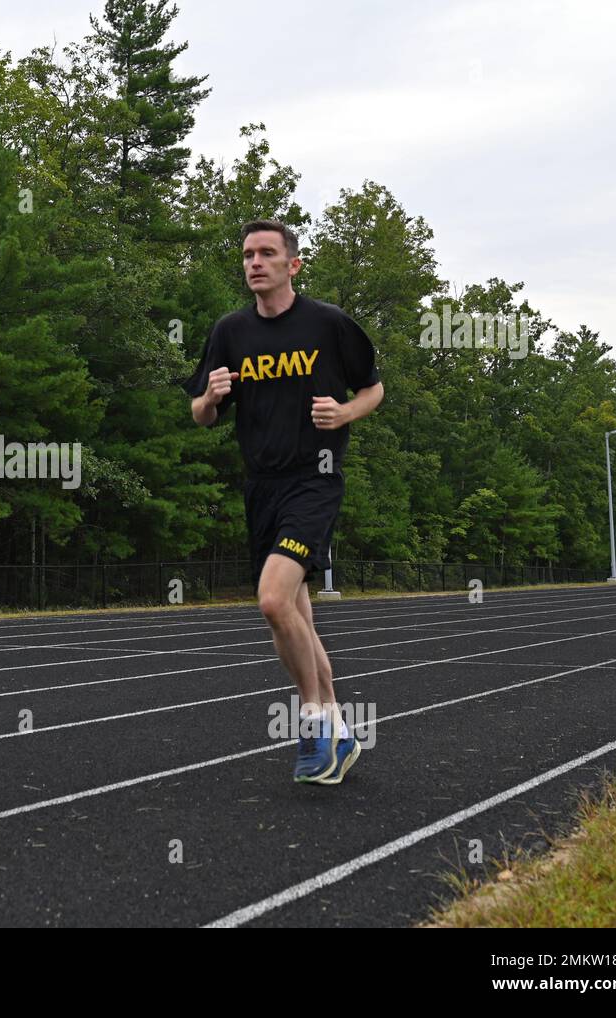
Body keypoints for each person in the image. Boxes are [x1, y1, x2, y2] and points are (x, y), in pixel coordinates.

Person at [182, 219, 384, 785]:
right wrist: (210, 399)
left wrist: (345, 413)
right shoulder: (230, 332)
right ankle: (342, 731)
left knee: (273, 601)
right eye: (248, 254)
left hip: (314, 480)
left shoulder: (328, 323)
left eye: (268, 253)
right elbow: (201, 414)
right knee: (295, 612)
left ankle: (315, 721)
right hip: (261, 486)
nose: (255, 262)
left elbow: (373, 388)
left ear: (293, 264)